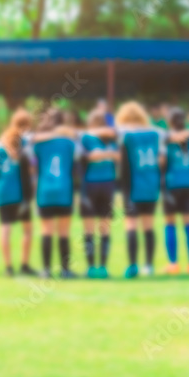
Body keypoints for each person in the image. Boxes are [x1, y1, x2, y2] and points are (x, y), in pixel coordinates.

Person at [30, 108, 82, 279]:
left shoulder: (39, 143)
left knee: (46, 230)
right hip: (64, 190)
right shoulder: (69, 142)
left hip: (45, 190)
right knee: (64, 231)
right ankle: (65, 270)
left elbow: (28, 153)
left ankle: (46, 269)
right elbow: (80, 156)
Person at [116, 101, 166, 278]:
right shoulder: (155, 133)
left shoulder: (124, 134)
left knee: (131, 224)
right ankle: (149, 265)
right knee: (149, 225)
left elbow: (120, 159)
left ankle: (132, 265)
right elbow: (161, 159)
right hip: (151, 184)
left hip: (132, 185)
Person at [0, 108, 38, 277]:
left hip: (2, 191)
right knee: (27, 229)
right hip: (20, 192)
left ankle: (8, 267)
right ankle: (24, 265)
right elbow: (31, 168)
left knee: (6, 227)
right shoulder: (25, 142)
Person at [161, 108, 189, 275]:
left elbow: (163, 161)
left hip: (172, 184)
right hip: (188, 184)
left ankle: (174, 263)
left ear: (170, 121)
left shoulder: (167, 140)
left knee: (170, 223)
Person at [79, 109, 119, 278]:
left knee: (104, 226)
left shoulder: (112, 139)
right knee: (90, 228)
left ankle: (102, 267)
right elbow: (89, 156)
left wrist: (103, 154)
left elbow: (117, 155)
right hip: (90, 185)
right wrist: (106, 154)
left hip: (107, 184)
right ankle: (91, 267)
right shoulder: (87, 137)